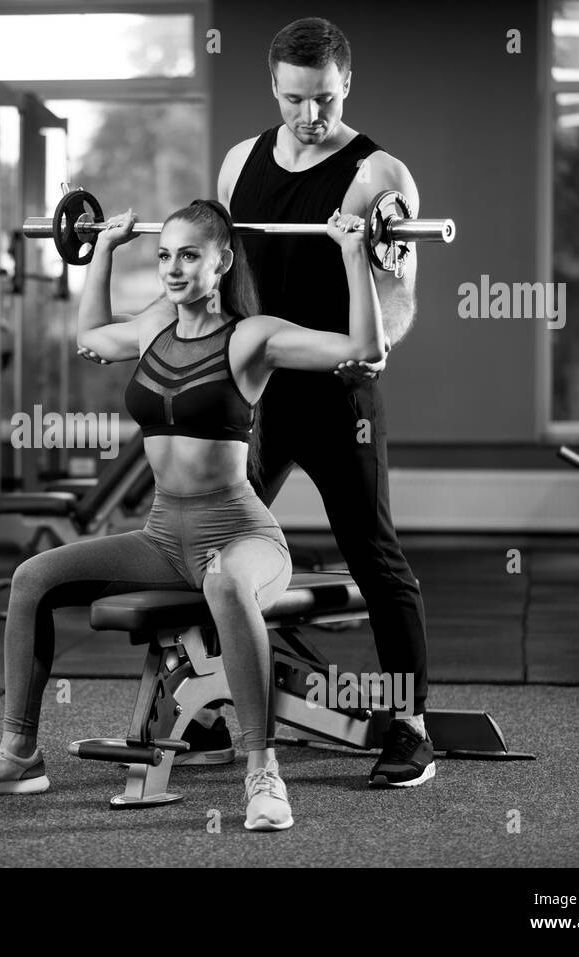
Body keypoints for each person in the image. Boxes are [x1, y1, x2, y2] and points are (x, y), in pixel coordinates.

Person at [0, 199, 384, 831]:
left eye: (190, 255)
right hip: (162, 537)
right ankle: (17, 754)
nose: (174, 269)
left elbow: (365, 346)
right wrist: (104, 251)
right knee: (33, 578)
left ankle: (263, 773)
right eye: (165, 255)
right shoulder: (153, 326)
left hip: (241, 535)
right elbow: (90, 337)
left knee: (227, 583)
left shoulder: (251, 336)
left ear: (223, 260)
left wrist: (352, 252)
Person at [145, 16, 434, 789]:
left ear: (348, 87)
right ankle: (207, 703)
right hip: (256, 391)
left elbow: (398, 301)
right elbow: (228, 281)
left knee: (375, 556)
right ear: (274, 86)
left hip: (340, 392)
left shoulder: (382, 179)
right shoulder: (240, 162)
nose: (312, 117)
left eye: (327, 100)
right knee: (199, 542)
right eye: (297, 100)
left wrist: (377, 345)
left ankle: (409, 727)